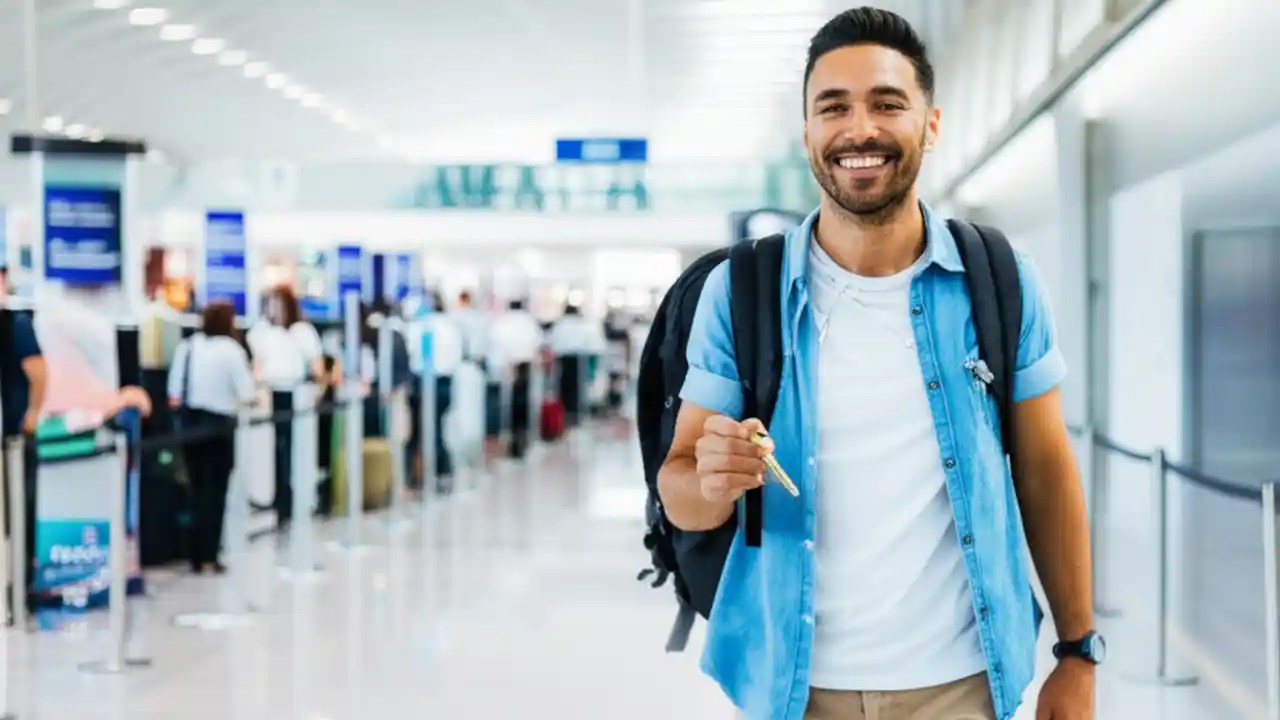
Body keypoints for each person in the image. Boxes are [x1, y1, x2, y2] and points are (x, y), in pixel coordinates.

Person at [657, 9, 1096, 720]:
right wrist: (713, 478)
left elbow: (1045, 469)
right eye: (833, 108)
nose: (860, 129)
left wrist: (1078, 651)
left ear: (930, 123)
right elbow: (678, 491)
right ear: (807, 135)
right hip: (791, 687)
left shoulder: (1000, 281)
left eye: (887, 104)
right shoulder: (741, 295)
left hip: (961, 684)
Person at [169, 301, 254, 574]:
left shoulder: (188, 347)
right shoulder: (232, 351)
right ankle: (209, 555)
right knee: (215, 493)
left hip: (191, 424)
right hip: (219, 426)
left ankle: (193, 553)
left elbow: (174, 391)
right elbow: (247, 392)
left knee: (194, 490)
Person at [247, 286, 324, 528]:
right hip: (271, 394)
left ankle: (294, 500)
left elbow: (317, 368)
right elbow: (256, 366)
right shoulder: (263, 332)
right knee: (274, 450)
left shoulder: (302, 332)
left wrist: (315, 394)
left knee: (294, 450)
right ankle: (276, 499)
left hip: (296, 395)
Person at [486, 298, 542, 458]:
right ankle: (520, 434)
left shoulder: (502, 322)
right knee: (522, 401)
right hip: (524, 365)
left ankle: (507, 436)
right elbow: (536, 343)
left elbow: (495, 343)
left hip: (505, 365)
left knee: (504, 403)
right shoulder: (528, 322)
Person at [548, 302, 605, 426]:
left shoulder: (560, 324)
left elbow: (553, 343)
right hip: (579, 360)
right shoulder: (582, 324)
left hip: (563, 360)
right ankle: (577, 413)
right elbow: (592, 345)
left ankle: (564, 413)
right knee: (578, 388)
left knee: (563, 388)